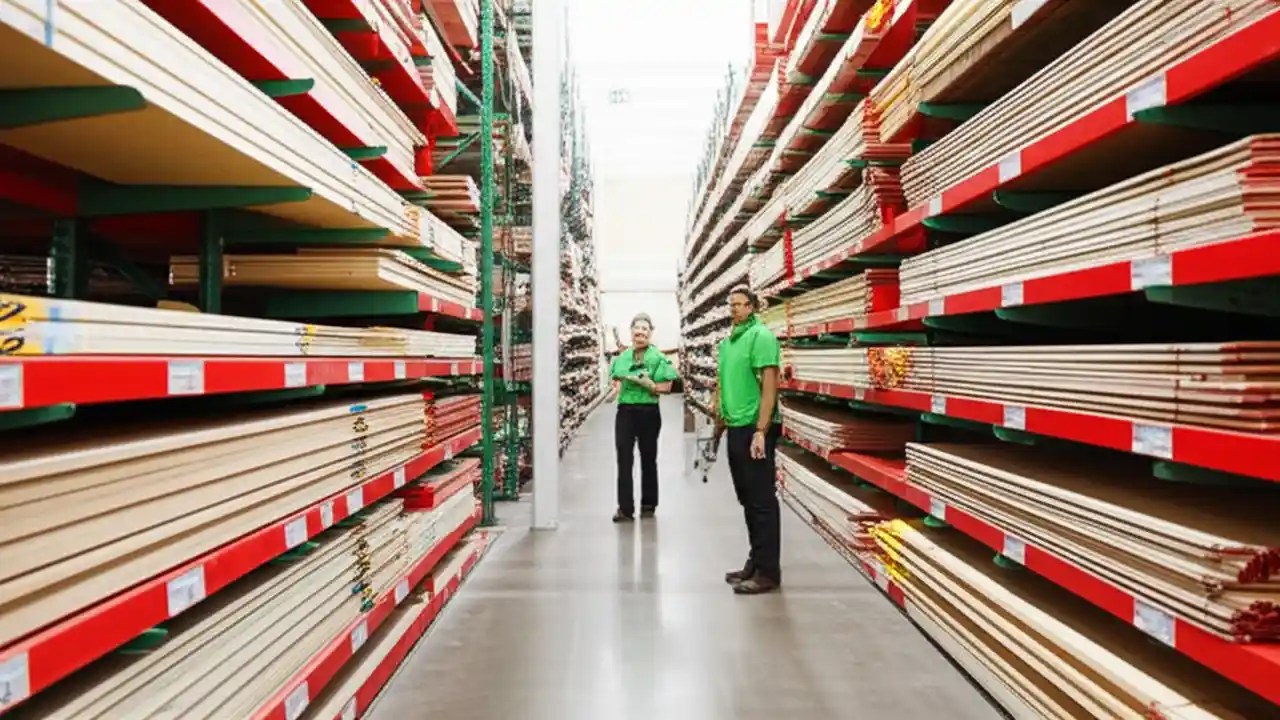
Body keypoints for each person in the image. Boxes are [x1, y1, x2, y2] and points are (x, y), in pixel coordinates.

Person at [714, 285, 783, 595]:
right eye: (732, 304)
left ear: (753, 307)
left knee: (762, 501)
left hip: (756, 430)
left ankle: (769, 571)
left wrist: (761, 430)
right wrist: (718, 419)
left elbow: (770, 387)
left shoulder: (762, 337)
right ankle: (755, 561)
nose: (736, 309)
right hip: (735, 426)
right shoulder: (728, 343)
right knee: (747, 499)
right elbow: (722, 382)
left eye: (742, 304)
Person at [609, 313, 678, 522]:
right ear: (631, 332)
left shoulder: (657, 358)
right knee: (624, 459)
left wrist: (652, 386)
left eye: (645, 329)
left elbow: (667, 387)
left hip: (649, 412)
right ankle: (625, 508)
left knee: (649, 458)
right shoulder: (621, 359)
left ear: (650, 333)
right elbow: (617, 382)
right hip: (626, 413)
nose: (640, 332)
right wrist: (619, 387)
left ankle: (648, 504)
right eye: (636, 328)